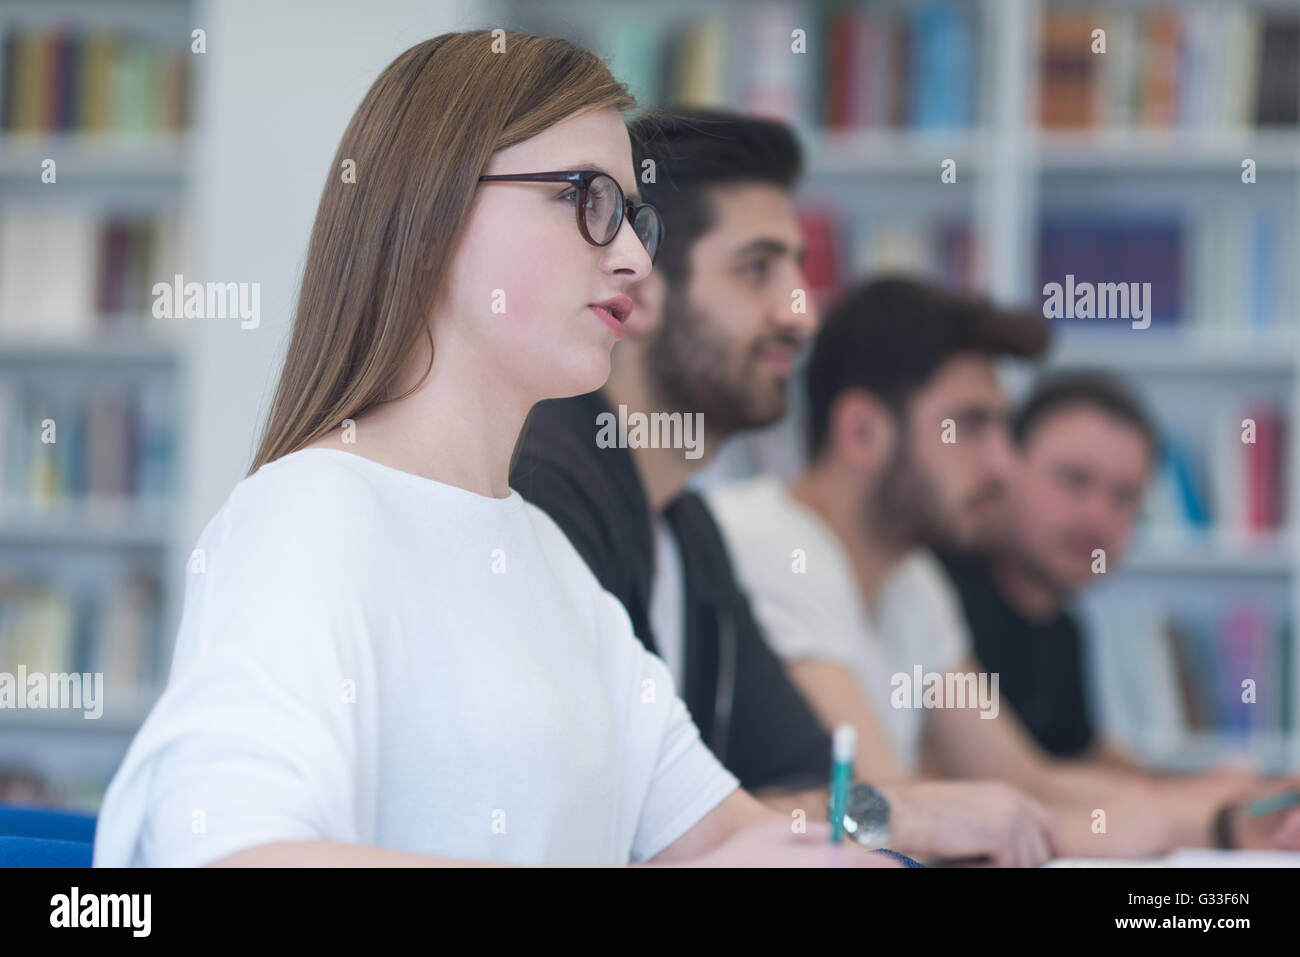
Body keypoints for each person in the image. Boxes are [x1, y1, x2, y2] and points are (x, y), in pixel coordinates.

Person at [91, 32, 900, 869]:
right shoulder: (309, 515)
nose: (632, 256)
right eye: (588, 199)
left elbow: (730, 835)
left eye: (634, 218)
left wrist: (872, 846)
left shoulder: (548, 559)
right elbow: (236, 855)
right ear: (437, 210)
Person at [512, 109, 1061, 866]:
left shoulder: (690, 532)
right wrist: (907, 815)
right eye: (756, 269)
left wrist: (899, 814)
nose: (801, 313)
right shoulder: (543, 490)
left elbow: (793, 784)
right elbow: (623, 821)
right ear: (635, 279)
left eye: (798, 271)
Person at [710, 275, 1300, 855]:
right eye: (970, 426)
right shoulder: (767, 545)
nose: (1001, 465)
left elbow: (1025, 777)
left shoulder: (912, 582)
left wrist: (1226, 821)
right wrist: (1099, 829)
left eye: (1000, 427)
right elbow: (897, 809)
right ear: (862, 430)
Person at [936, 370, 1158, 765]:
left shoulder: (1063, 630)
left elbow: (1085, 763)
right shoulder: (934, 596)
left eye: (1124, 497)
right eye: (1073, 479)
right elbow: (1021, 783)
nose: (1097, 518)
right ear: (1004, 465)